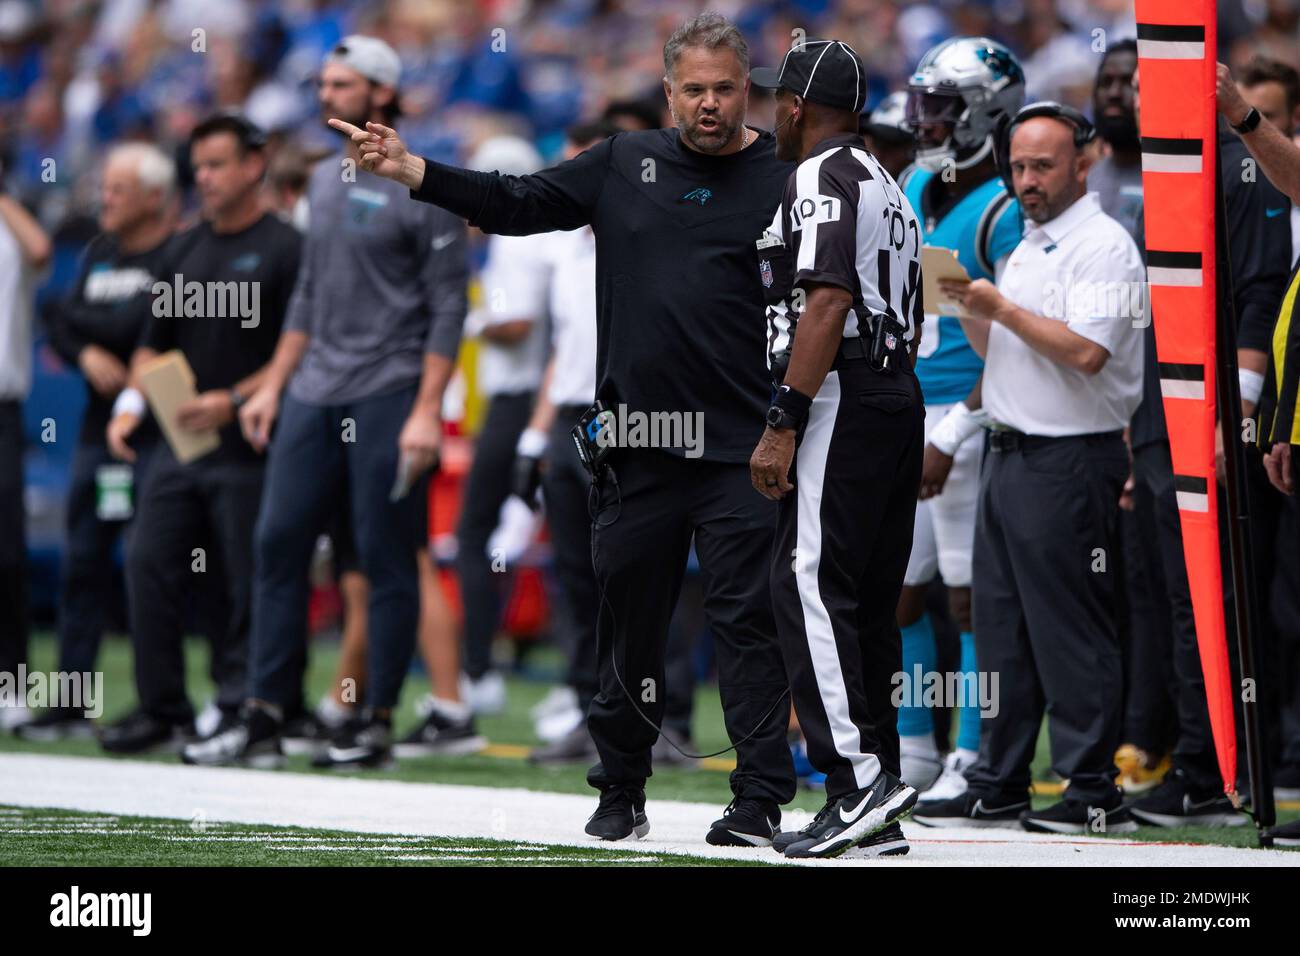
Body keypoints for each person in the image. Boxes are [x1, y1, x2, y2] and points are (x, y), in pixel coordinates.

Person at [330, 12, 797, 845]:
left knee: (747, 625)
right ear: (668, 91)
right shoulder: (625, 161)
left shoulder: (787, 175)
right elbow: (519, 202)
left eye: (726, 88)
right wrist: (415, 170)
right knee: (628, 623)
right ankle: (621, 787)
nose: (711, 104)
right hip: (639, 440)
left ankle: (759, 797)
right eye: (694, 89)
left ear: (748, 89)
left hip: (741, 446)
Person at [179, 36, 468, 769]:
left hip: (390, 388)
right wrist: (275, 381)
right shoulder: (324, 179)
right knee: (276, 543)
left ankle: (372, 718)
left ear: (380, 92)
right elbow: (307, 293)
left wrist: (427, 408)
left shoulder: (424, 180)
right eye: (323, 84)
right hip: (312, 389)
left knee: (384, 556)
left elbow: (446, 308)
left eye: (341, 85)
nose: (325, 96)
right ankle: (266, 715)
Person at [913, 103, 1144, 833]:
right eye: (1017, 166)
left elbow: (1087, 353)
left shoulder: (1105, 246)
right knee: (1003, 631)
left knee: (1070, 629)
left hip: (1070, 458)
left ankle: (1090, 786)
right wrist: (969, 309)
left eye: (1042, 164)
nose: (1026, 180)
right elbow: (1002, 356)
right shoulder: (1030, 246)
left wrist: (1000, 309)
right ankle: (998, 777)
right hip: (1011, 452)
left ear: (1086, 160)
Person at [747, 38, 926, 859]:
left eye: (771, 103)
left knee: (809, 584)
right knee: (861, 597)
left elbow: (825, 303)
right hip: (895, 395)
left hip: (844, 395)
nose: (768, 117)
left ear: (793, 106)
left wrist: (784, 417)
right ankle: (879, 789)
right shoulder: (887, 182)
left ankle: (854, 784)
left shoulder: (819, 175)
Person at [100, 113, 301, 753]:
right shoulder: (182, 249)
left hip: (251, 446)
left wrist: (233, 398)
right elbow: (150, 346)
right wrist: (133, 401)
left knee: (243, 579)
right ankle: (165, 707)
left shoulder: (286, 248)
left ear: (254, 165)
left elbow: (301, 347)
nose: (206, 178)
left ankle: (244, 704)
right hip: (178, 447)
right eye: (200, 167)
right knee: (146, 560)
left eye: (217, 165)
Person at [896, 37, 1026, 799]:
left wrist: (951, 432)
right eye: (923, 102)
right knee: (901, 589)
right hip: (909, 407)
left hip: (972, 414)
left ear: (984, 112)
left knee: (968, 594)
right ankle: (914, 746)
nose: (925, 118)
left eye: (941, 106)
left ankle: (971, 753)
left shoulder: (1003, 211)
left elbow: (1010, 347)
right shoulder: (916, 182)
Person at [19, 143, 175, 742]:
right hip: (95, 433)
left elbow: (148, 327)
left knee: (158, 566)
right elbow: (59, 318)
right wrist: (86, 350)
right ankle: (71, 699)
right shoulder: (100, 252)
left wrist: (98, 332)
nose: (103, 199)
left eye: (117, 189)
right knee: (83, 563)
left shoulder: (177, 256)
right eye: (104, 188)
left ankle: (167, 704)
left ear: (154, 197)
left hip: (158, 433)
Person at [454, 134, 549, 717]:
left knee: (474, 534)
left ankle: (478, 667)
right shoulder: (545, 243)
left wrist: (467, 321)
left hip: (520, 403)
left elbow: (513, 324)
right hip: (534, 401)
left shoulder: (518, 247)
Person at [0, 181, 51, 733]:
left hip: (2, 408)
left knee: (6, 554)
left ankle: (10, 683)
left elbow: (41, 250)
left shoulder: (12, 232)